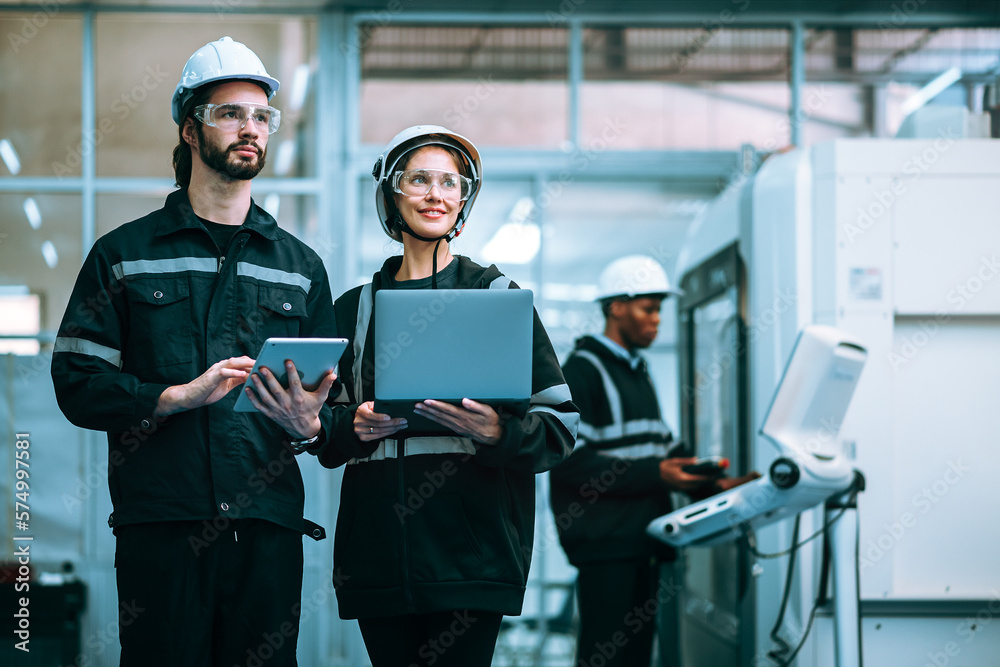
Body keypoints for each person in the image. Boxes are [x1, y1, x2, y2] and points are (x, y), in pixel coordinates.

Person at [50, 37, 336, 666]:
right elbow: (76, 381)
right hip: (163, 527)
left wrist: (311, 423)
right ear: (189, 128)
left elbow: (329, 405)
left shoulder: (300, 267)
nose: (250, 128)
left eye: (261, 116)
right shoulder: (123, 255)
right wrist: (174, 397)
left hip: (266, 526)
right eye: (230, 113)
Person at [305, 125, 579, 667]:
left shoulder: (498, 297)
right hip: (378, 564)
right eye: (419, 180)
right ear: (391, 193)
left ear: (463, 200)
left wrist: (498, 431)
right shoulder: (353, 310)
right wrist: (349, 426)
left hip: (471, 563)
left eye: (450, 183)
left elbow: (561, 426)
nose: (436, 194)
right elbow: (319, 430)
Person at [549, 255, 757, 667]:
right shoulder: (582, 372)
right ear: (616, 308)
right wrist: (657, 473)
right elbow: (569, 461)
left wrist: (714, 485)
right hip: (606, 548)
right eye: (648, 308)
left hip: (643, 540)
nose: (657, 319)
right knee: (606, 656)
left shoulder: (636, 371)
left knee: (636, 657)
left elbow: (662, 449)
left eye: (659, 309)